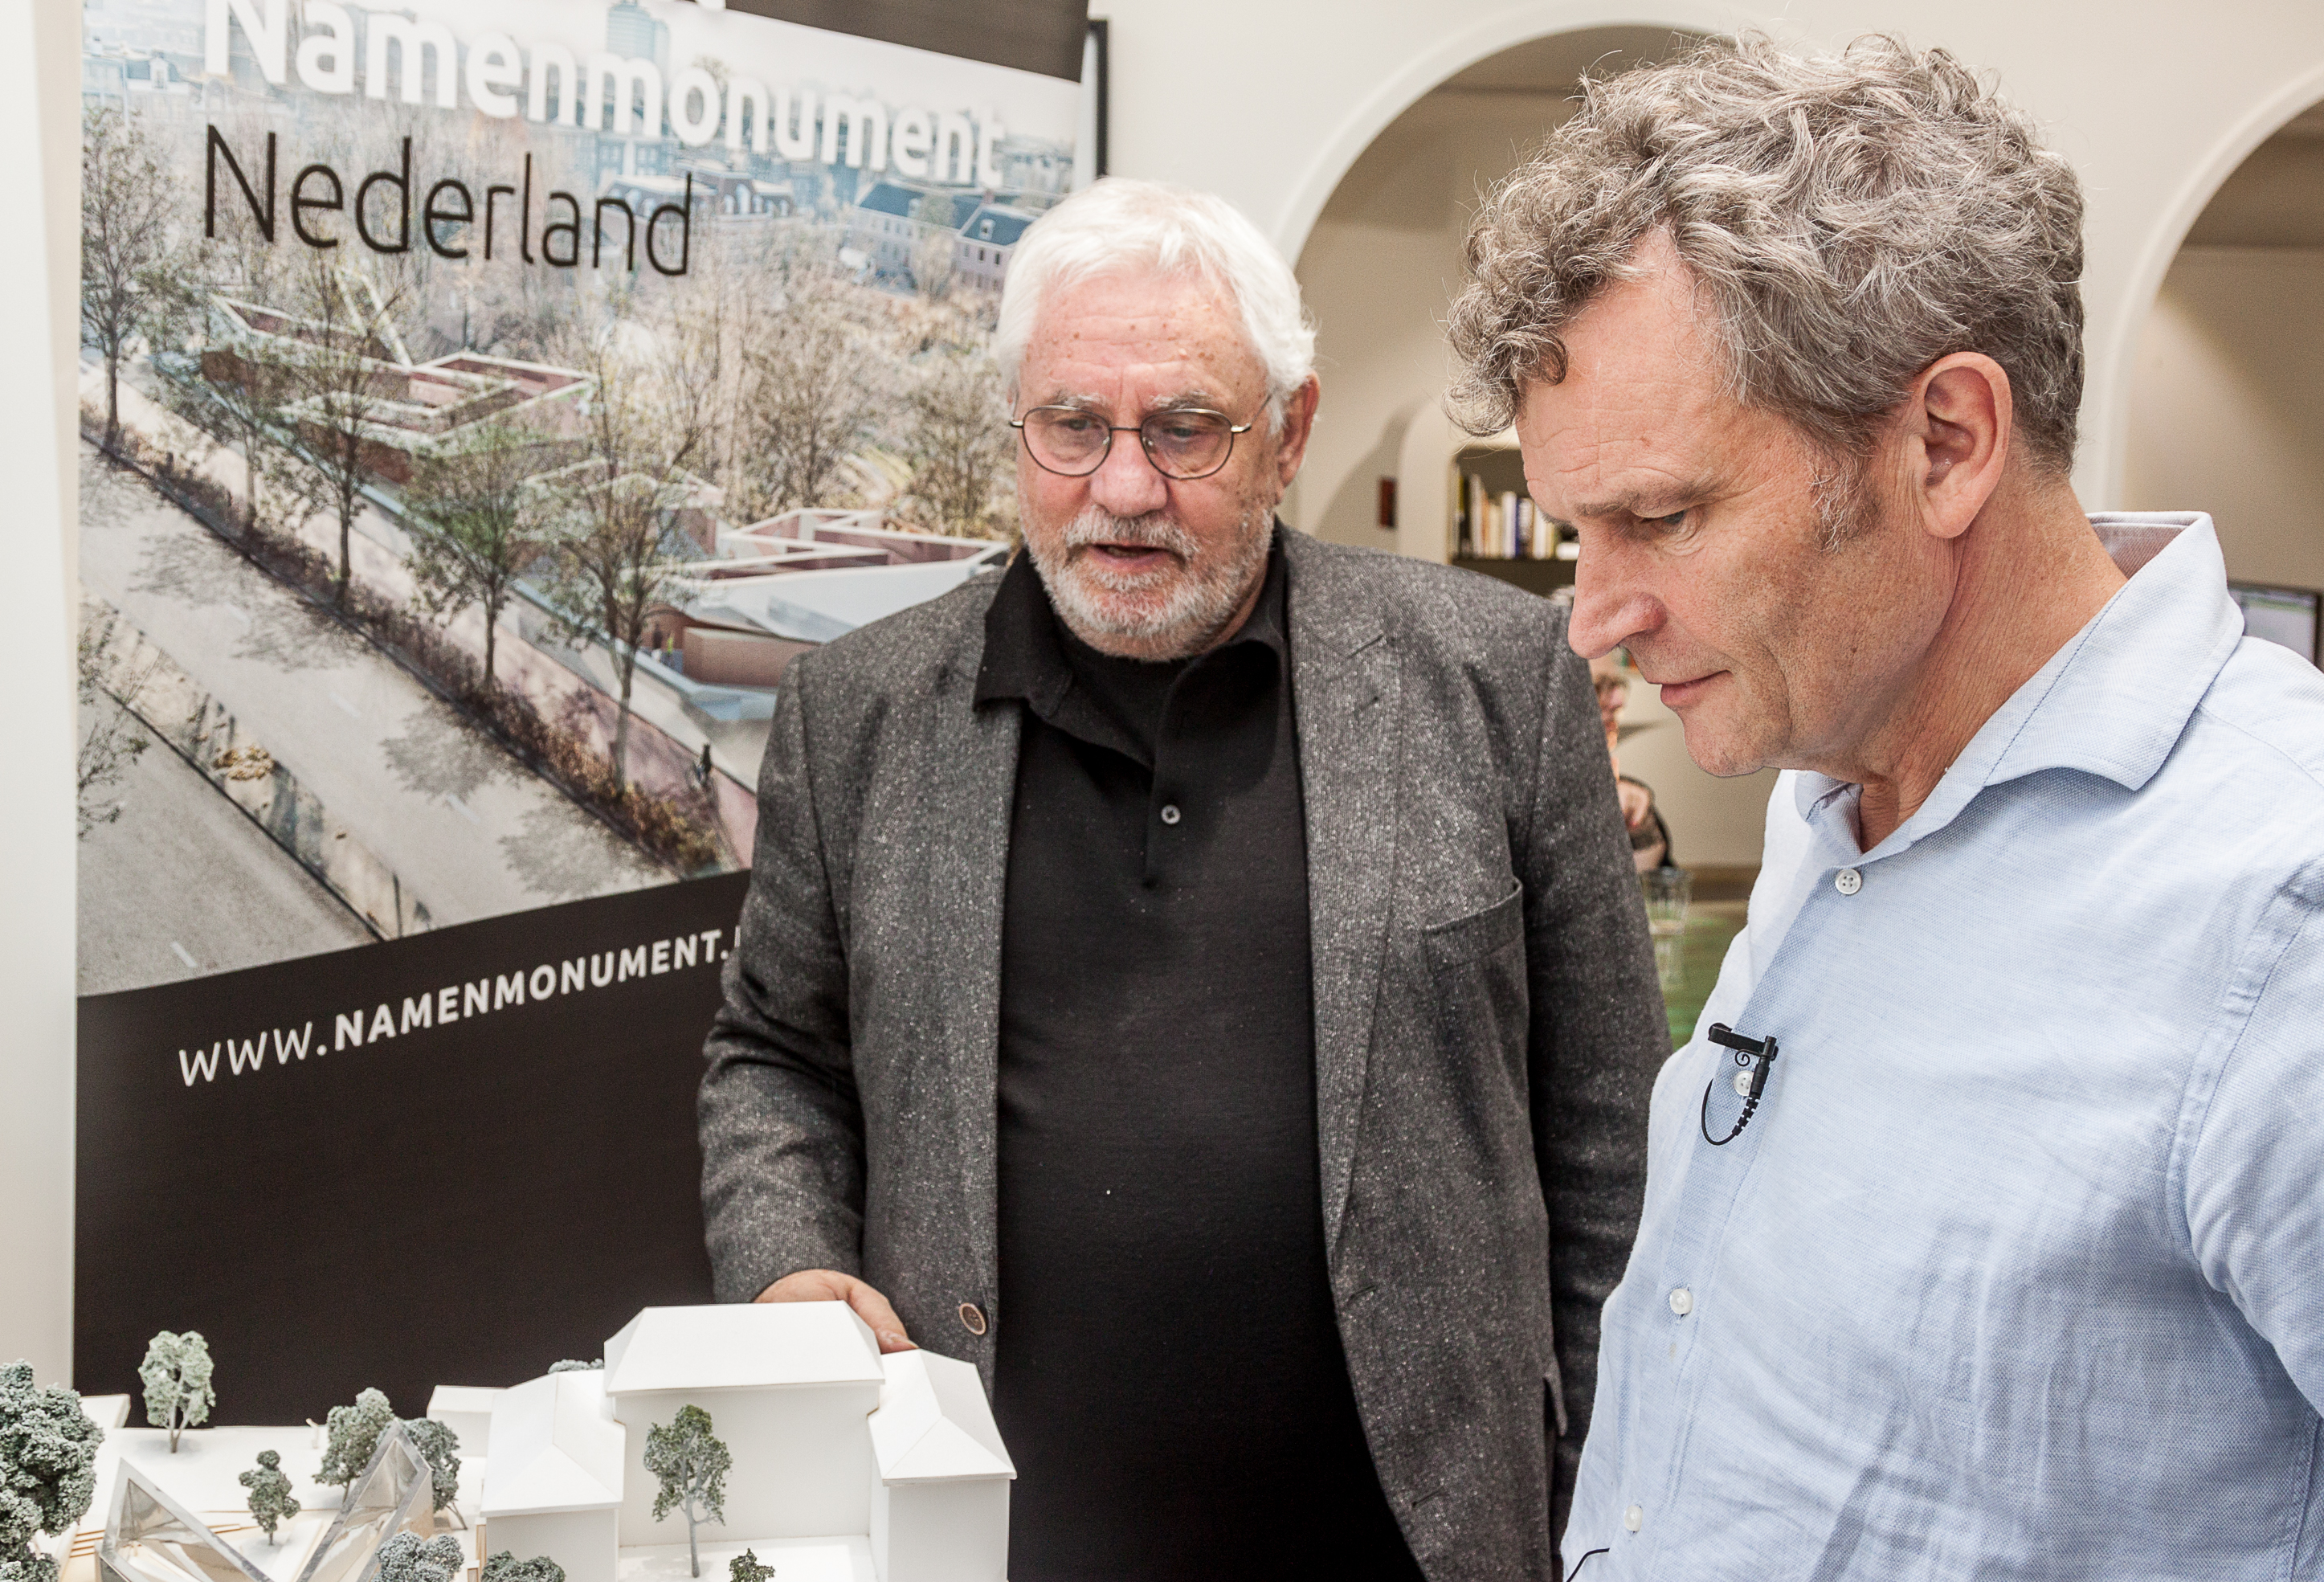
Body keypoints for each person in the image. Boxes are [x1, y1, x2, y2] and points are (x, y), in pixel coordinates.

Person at [700, 177, 1669, 1580]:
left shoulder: (1492, 685)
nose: (1124, 487)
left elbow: (1609, 1148)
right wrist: (787, 1268)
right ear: (1019, 426)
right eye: (1074, 424)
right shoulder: (859, 714)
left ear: (1289, 432)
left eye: (1184, 428)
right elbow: (772, 1049)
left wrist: (1606, 1520)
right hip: (991, 1544)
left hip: (1408, 1541)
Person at [1447, 34, 2324, 1580]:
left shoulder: (2275, 904)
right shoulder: (1832, 786)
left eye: (1660, 516)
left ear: (1944, 442)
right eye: (1577, 527)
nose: (1593, 615)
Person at [1590, 661, 1671, 872]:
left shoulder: (1629, 793)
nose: (1620, 700)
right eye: (1600, 686)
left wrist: (1637, 825)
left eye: (1618, 684)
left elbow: (1651, 886)